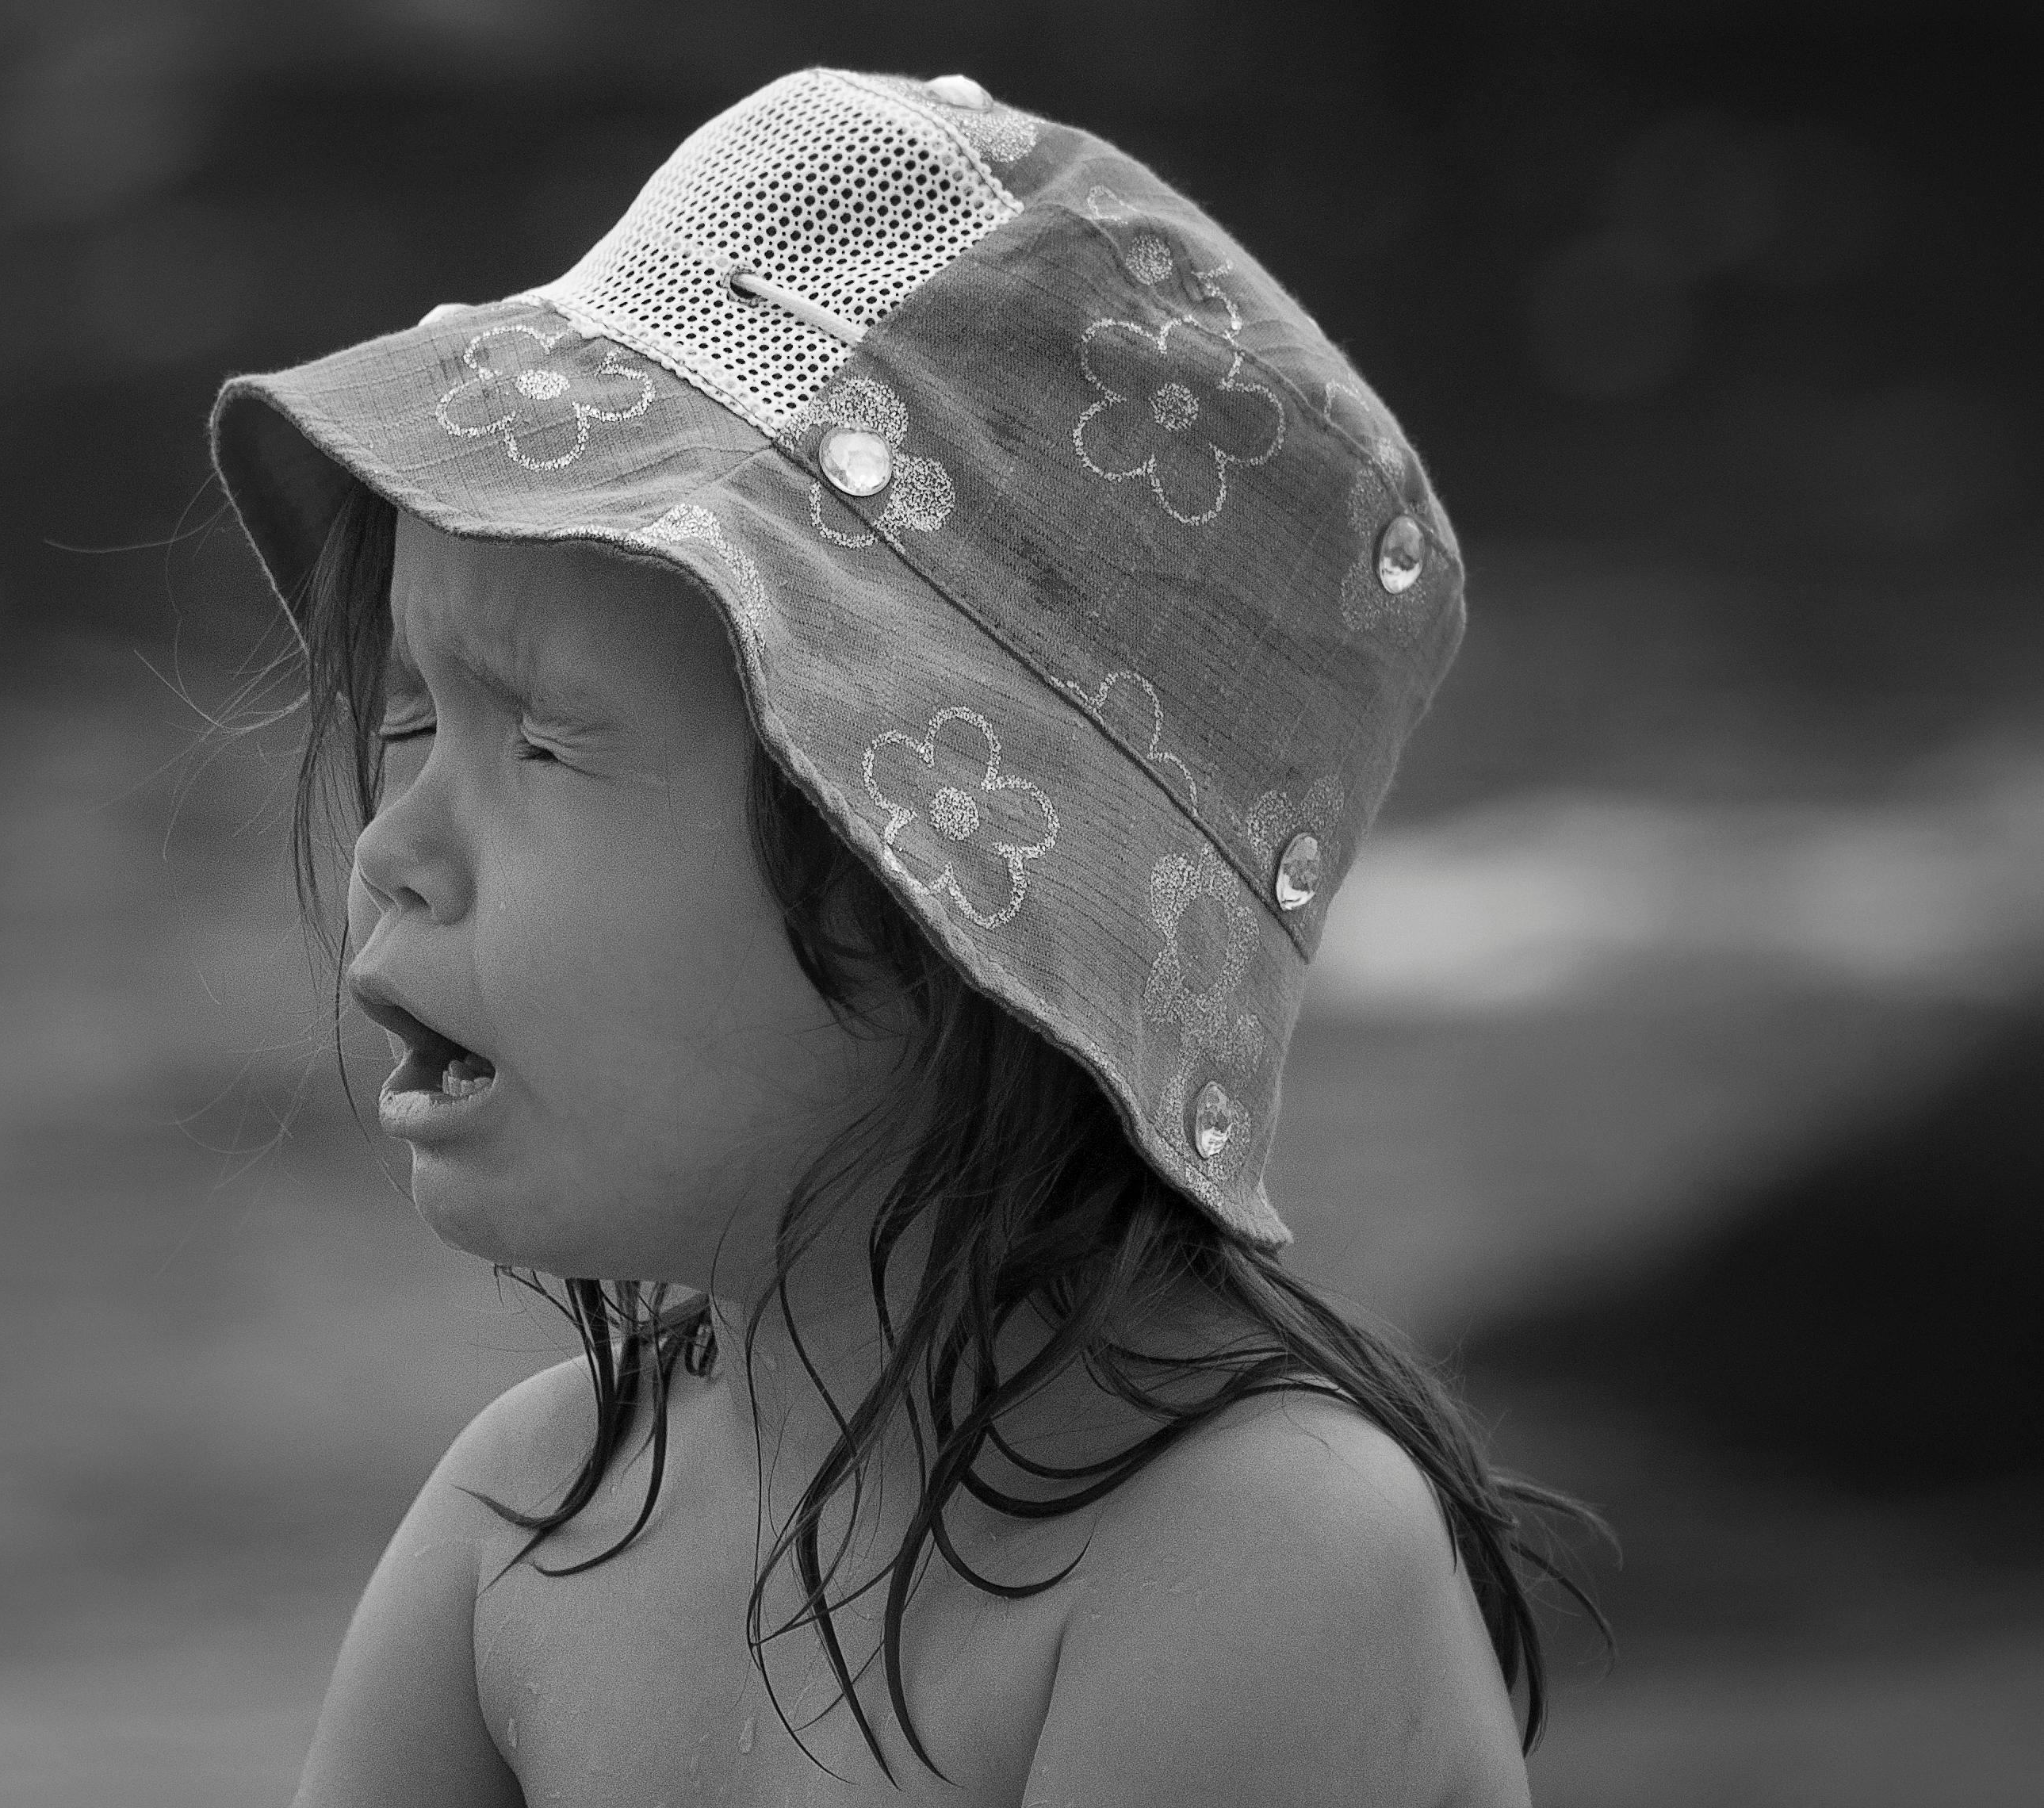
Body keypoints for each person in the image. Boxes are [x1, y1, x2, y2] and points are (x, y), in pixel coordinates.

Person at [213, 67, 1597, 1807]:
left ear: (935, 888)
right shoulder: (522, 1532)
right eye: (413, 718)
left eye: (542, 735)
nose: (394, 853)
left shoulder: (1245, 1561)